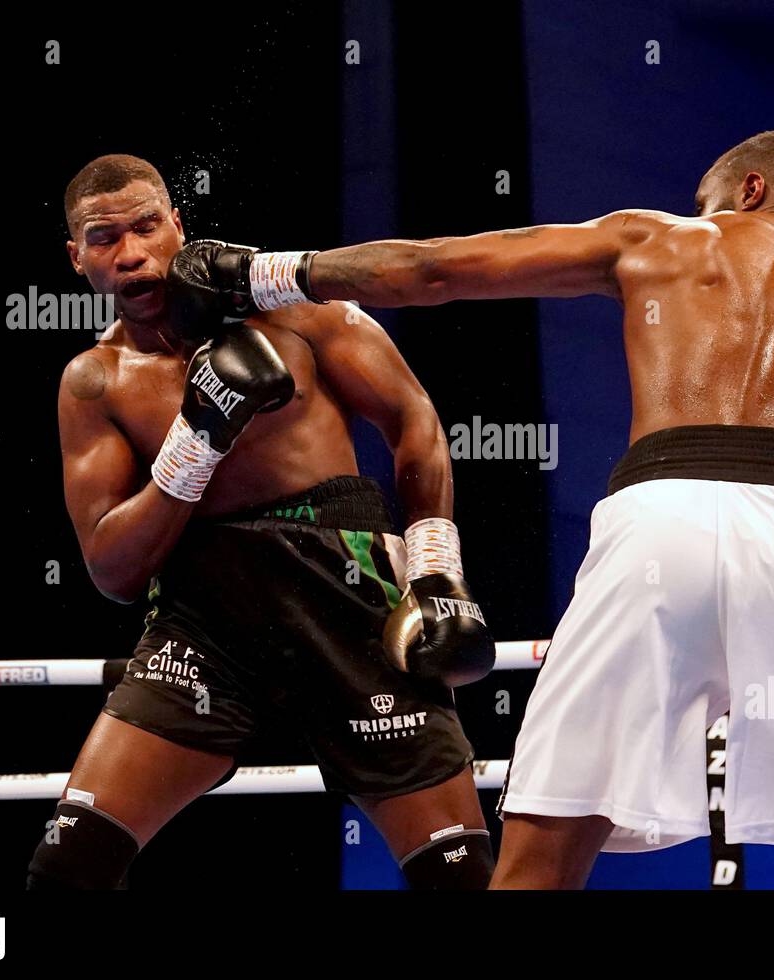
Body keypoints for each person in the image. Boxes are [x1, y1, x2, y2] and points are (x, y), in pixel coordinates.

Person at [168, 130, 774, 890]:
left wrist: (263, 272)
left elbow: (433, 269)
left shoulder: (652, 239)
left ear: (752, 188)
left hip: (652, 533)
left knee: (540, 856)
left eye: (709, 200)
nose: (702, 214)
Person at [27, 155, 495, 891]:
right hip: (205, 621)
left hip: (351, 593)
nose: (132, 254)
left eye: (147, 226)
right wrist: (197, 438)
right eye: (103, 237)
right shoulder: (94, 382)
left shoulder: (290, 310)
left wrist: (436, 562)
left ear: (178, 224)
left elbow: (413, 418)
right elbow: (112, 570)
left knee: (461, 876)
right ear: (76, 257)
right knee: (68, 868)